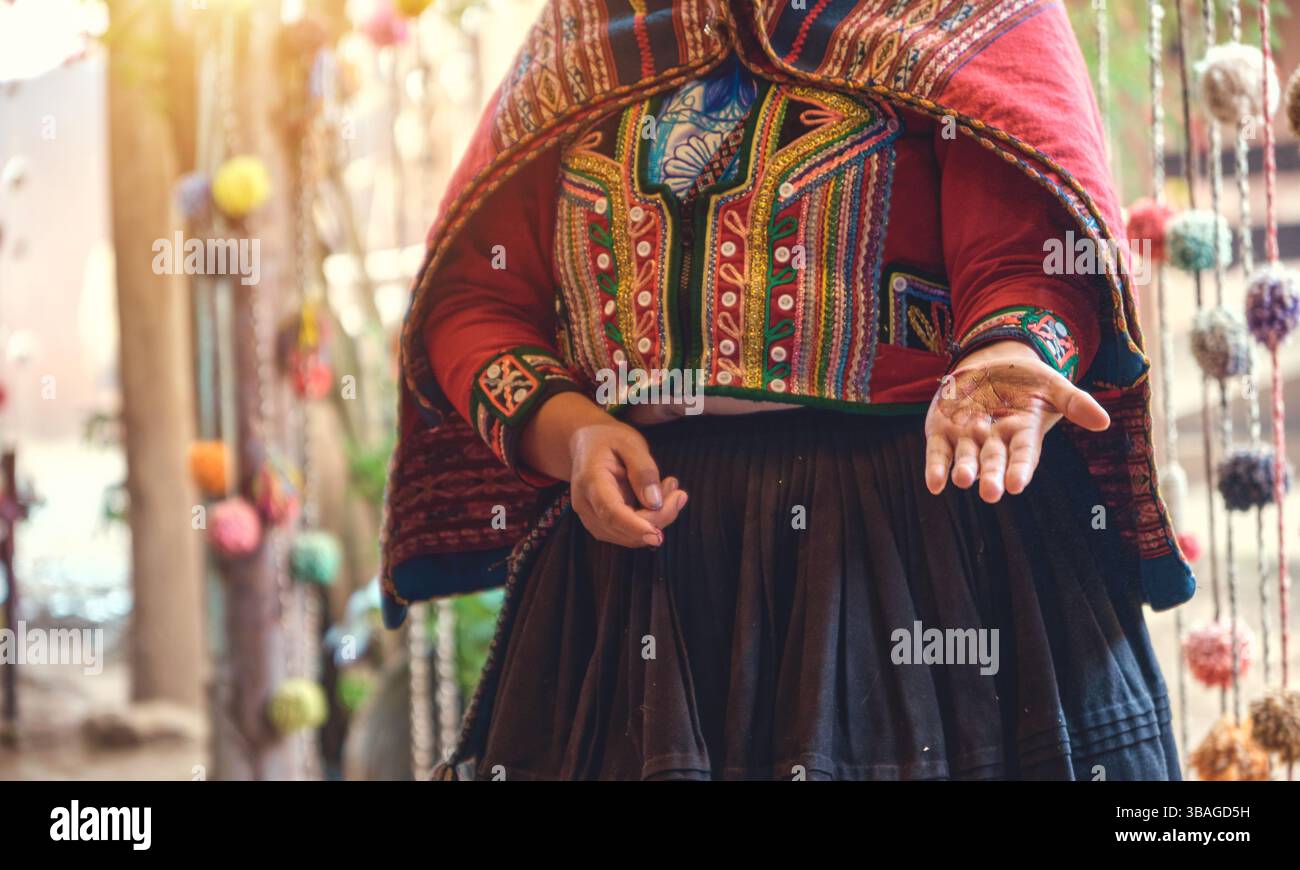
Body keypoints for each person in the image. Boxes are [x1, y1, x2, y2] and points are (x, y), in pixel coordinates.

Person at [382, 0, 1195, 780]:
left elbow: (1031, 247)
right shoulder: (588, 30)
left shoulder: (964, 13)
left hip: (925, 535)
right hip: (645, 551)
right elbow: (473, 300)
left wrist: (1008, 350)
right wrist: (572, 435)